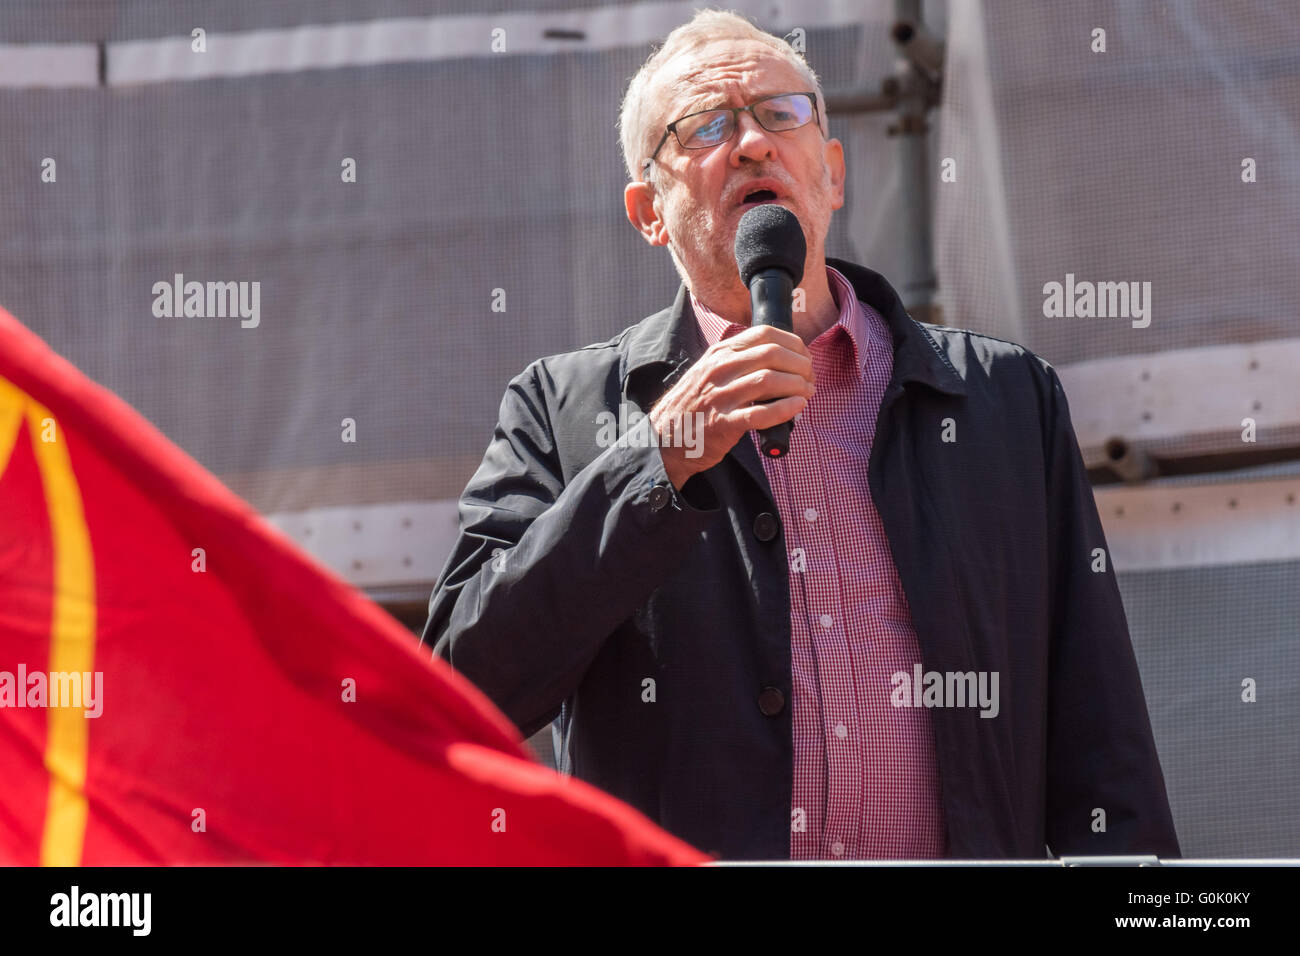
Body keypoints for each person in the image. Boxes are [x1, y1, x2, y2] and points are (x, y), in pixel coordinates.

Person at [422, 9, 1180, 861]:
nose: (750, 143)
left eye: (781, 114)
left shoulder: (1002, 402)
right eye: (703, 126)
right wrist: (654, 460)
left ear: (832, 172)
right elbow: (461, 690)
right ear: (648, 212)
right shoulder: (561, 411)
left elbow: (1100, 729)